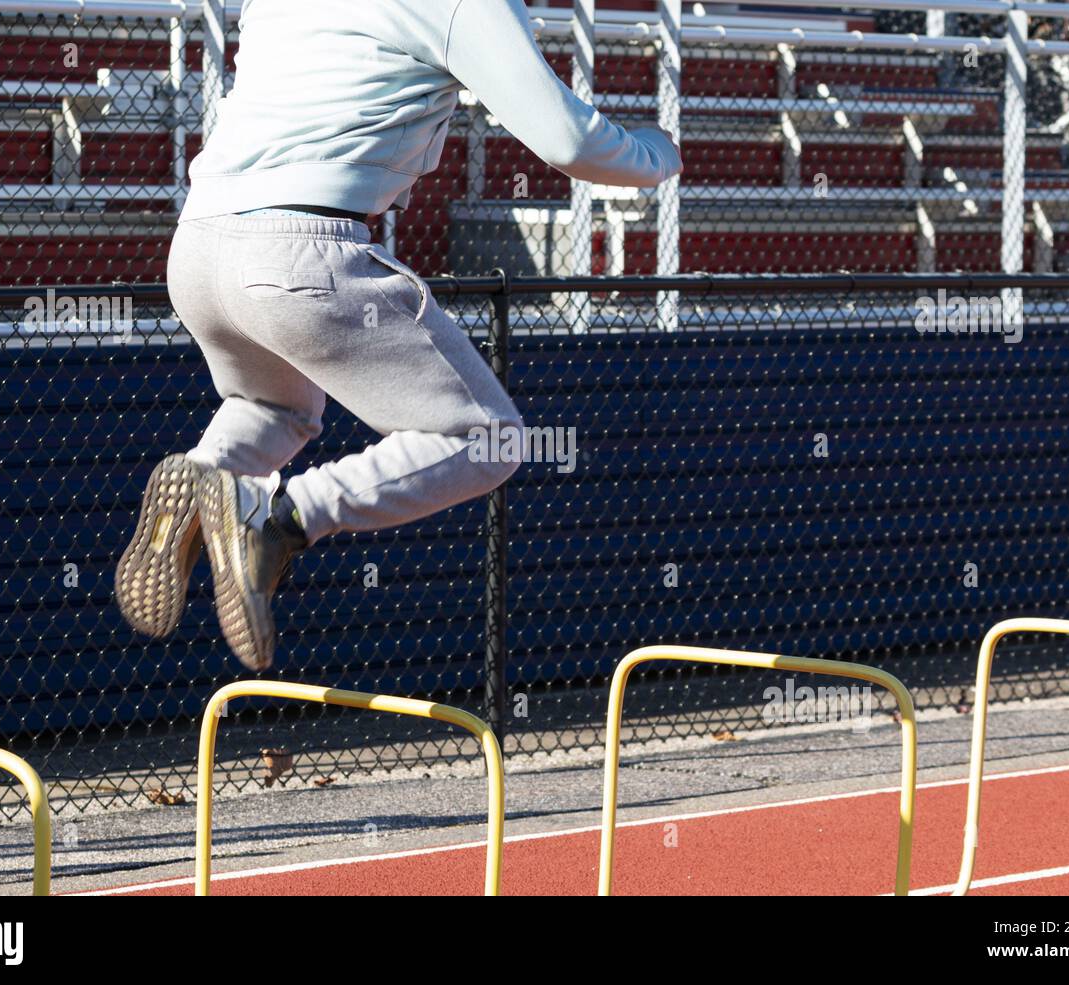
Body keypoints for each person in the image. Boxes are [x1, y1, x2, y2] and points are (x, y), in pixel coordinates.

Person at [115, 0, 683, 671]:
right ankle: (276, 517)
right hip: (299, 251)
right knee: (488, 436)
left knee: (275, 407)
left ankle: (209, 470)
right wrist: (656, 154)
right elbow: (566, 141)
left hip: (201, 246)